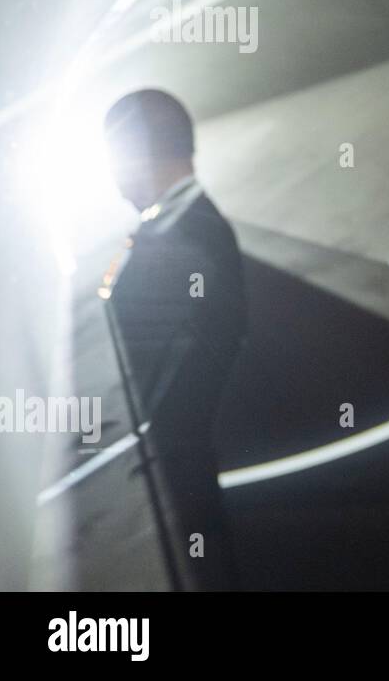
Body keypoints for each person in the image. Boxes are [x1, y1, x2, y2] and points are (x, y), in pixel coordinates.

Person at [99, 88, 246, 590]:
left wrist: (129, 437)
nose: (114, 181)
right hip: (173, 482)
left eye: (115, 159)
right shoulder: (179, 231)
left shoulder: (187, 239)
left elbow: (180, 370)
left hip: (175, 485)